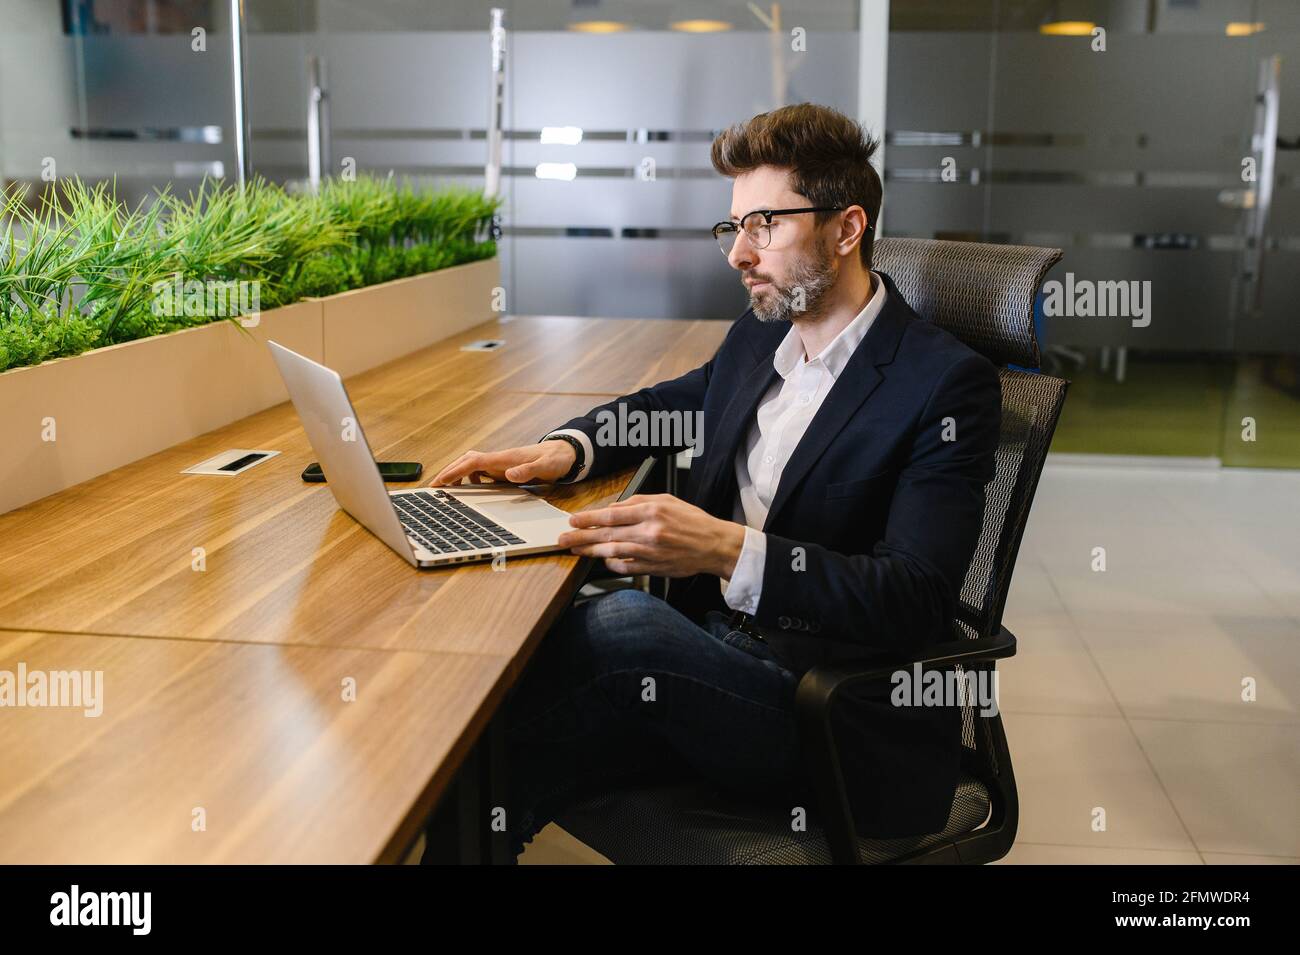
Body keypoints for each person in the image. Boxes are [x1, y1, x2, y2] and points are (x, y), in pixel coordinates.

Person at [431, 102, 1001, 859]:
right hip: (712, 664)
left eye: (764, 224)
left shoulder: (943, 384)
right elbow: (674, 403)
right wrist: (564, 450)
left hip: (829, 710)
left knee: (614, 625)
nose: (738, 252)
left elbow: (913, 596)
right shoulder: (762, 331)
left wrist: (729, 550)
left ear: (846, 227)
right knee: (496, 759)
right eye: (733, 227)